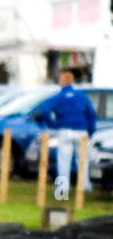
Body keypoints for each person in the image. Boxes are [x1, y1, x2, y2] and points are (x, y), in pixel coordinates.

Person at [32, 69, 97, 199]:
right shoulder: (81, 96)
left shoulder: (58, 97)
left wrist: (52, 124)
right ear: (72, 81)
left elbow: (44, 112)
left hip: (65, 130)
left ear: (62, 82)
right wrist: (90, 130)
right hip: (81, 131)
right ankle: (84, 187)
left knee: (63, 161)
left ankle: (62, 190)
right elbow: (91, 113)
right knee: (82, 161)